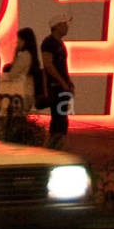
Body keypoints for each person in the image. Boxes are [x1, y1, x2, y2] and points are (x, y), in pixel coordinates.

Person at [40, 16, 74, 149]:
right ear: (56, 26)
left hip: (62, 86)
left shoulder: (59, 43)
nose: (67, 27)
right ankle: (49, 149)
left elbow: (62, 65)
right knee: (58, 120)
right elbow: (48, 65)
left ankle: (57, 148)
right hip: (56, 87)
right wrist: (62, 82)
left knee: (62, 120)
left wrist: (69, 82)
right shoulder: (49, 43)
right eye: (64, 24)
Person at [0, 27, 40, 121]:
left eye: (19, 41)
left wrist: (15, 54)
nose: (17, 43)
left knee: (15, 121)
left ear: (24, 41)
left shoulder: (24, 56)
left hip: (20, 94)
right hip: (29, 93)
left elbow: (12, 74)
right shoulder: (32, 56)